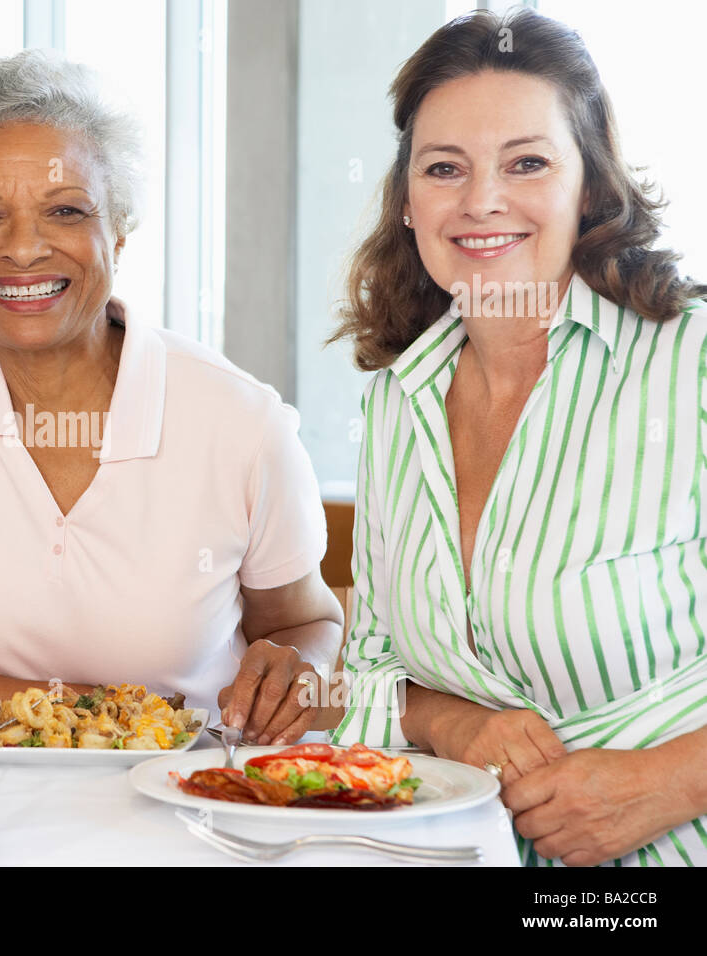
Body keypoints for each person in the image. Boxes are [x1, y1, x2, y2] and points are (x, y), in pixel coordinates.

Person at [0, 50, 342, 738]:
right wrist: (89, 715)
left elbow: (305, 623)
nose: (23, 250)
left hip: (178, 808)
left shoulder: (239, 419)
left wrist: (305, 671)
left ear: (120, 230)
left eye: (66, 211)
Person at [329, 9, 707, 866]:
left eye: (527, 162)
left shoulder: (692, 361)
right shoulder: (399, 397)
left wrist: (671, 782)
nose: (481, 202)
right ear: (408, 200)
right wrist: (450, 719)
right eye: (443, 168)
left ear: (591, 185)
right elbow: (376, 667)